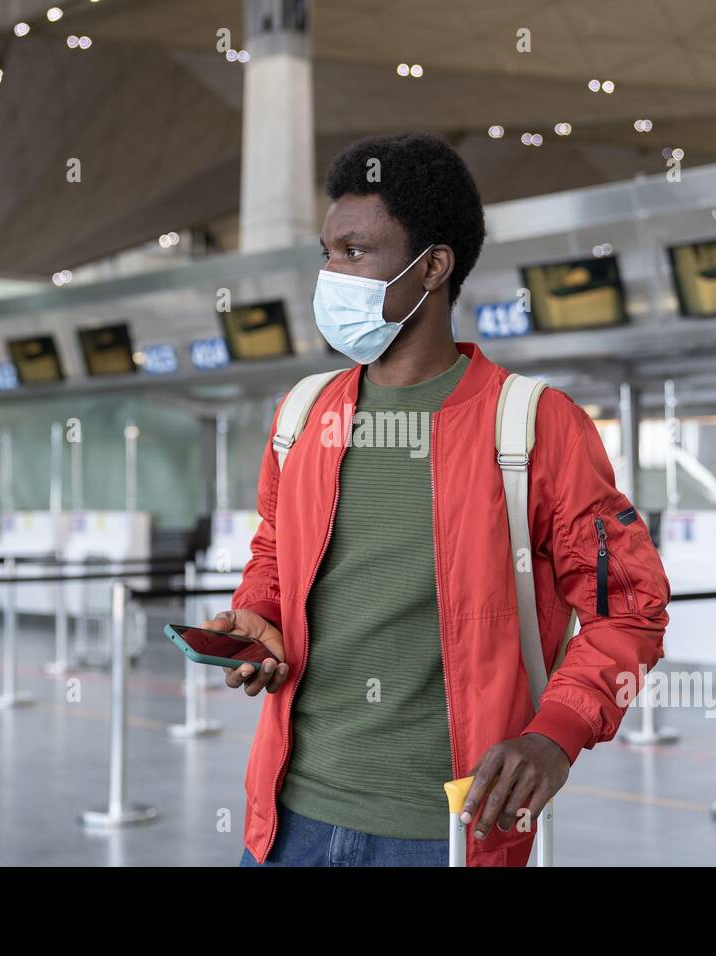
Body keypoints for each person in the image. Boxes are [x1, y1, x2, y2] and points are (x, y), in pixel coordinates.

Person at [204, 132, 671, 867]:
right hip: (286, 822)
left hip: (446, 834)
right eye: (326, 253)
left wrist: (557, 734)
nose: (332, 273)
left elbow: (630, 612)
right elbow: (273, 549)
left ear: (434, 267)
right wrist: (257, 617)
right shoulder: (302, 415)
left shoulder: (537, 426)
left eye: (355, 252)